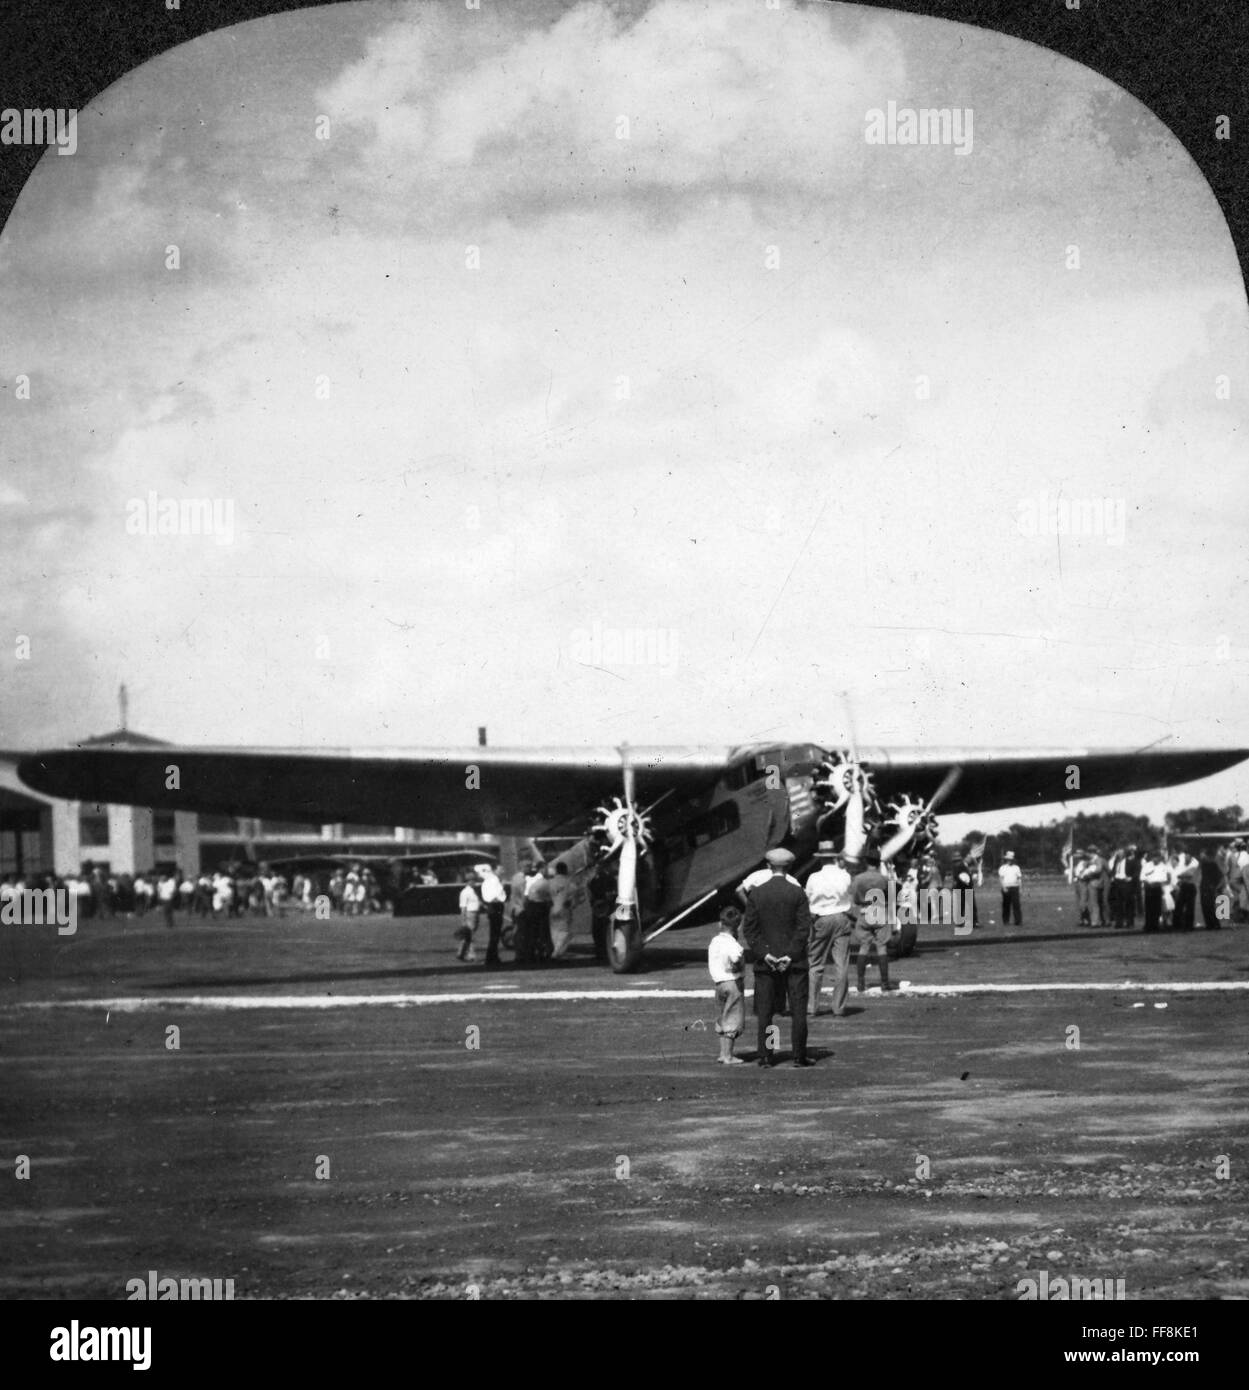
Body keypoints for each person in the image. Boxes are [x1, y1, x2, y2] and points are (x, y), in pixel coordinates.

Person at [742, 848, 813, 1067]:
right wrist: (790, 955)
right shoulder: (797, 893)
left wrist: (766, 954)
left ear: (769, 867)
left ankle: (767, 1054)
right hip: (795, 962)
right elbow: (803, 929)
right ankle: (798, 1056)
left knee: (766, 1012)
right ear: (789, 867)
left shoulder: (757, 893)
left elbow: (750, 931)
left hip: (766, 963)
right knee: (798, 1012)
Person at [804, 842, 854, 1017]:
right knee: (841, 964)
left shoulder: (813, 878)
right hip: (842, 917)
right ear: (835, 857)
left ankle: (812, 1006)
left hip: (821, 918)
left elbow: (808, 898)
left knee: (815, 963)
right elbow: (850, 895)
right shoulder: (845, 875)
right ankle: (839, 1006)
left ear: (820, 859)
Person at [850, 852, 898, 993]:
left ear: (866, 862)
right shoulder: (884, 879)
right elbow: (891, 899)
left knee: (863, 947)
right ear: (878, 864)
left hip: (864, 912)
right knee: (881, 947)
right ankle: (884, 983)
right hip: (880, 911)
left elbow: (855, 899)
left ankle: (860, 983)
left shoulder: (858, 878)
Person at [708, 905, 746, 1065]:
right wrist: (736, 967)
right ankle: (728, 1055)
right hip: (732, 982)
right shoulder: (734, 945)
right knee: (733, 1018)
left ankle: (723, 1053)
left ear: (720, 924)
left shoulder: (715, 941)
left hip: (719, 983)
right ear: (737, 926)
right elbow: (736, 957)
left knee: (723, 1017)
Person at [477, 863, 508, 966]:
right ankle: (491, 957)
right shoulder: (493, 880)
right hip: (495, 907)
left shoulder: (492, 880)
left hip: (494, 907)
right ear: (495, 870)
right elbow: (494, 896)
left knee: (495, 934)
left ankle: (492, 956)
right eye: (500, 869)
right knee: (495, 933)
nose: (502, 871)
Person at [548, 861, 574, 959]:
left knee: (554, 930)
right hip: (564, 909)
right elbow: (573, 893)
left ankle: (556, 949)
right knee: (565, 931)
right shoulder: (569, 882)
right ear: (565, 870)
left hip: (552, 908)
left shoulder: (550, 882)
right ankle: (557, 951)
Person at [1172, 848, 1200, 932]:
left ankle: (1189, 926)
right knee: (1179, 906)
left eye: (1187, 857)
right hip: (1183, 886)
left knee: (1190, 907)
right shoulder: (1183, 863)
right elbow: (1179, 875)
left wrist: (1182, 875)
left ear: (1191, 857)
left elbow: (1190, 874)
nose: (1185, 858)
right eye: (1185, 857)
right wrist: (1183, 875)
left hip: (1191, 886)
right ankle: (1177, 925)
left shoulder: (1195, 863)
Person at [1198, 845, 1225, 930]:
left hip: (1209, 887)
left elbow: (1219, 876)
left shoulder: (1211, 864)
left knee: (1209, 906)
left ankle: (1214, 924)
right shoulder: (1203, 864)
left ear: (1206, 855)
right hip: (1204, 887)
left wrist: (1214, 885)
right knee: (1205, 906)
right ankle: (1209, 924)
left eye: (1202, 854)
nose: (1201, 856)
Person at [1141, 850, 1168, 932]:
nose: (1155, 859)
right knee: (1148, 907)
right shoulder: (1147, 865)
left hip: (1157, 887)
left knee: (1156, 908)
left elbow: (1164, 878)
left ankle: (1155, 925)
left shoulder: (1163, 866)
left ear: (1160, 858)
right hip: (1148, 887)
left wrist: (1156, 884)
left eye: (1157, 857)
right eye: (1154, 857)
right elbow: (1142, 877)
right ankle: (1148, 925)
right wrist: (1148, 883)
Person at [456, 875, 482, 961]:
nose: (474, 882)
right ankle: (471, 955)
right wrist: (463, 920)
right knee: (470, 935)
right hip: (470, 914)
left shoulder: (474, 891)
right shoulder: (465, 892)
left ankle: (461, 953)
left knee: (468, 935)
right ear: (468, 881)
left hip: (475, 913)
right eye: (472, 881)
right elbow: (463, 907)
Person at [952, 854, 979, 932]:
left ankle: (971, 922)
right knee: (965, 906)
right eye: (969, 858)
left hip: (965, 888)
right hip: (963, 888)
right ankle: (970, 922)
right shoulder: (961, 866)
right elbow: (959, 877)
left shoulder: (965, 866)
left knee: (967, 906)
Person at [997, 851, 1023, 926]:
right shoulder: (1003, 868)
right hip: (1006, 888)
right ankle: (1006, 921)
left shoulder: (1016, 868)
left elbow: (1019, 879)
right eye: (1009, 859)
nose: (1010, 860)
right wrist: (1003, 887)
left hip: (1015, 887)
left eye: (1011, 859)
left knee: (1016, 905)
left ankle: (1018, 921)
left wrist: (1020, 888)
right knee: (1006, 905)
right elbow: (1001, 878)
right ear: (1007, 859)